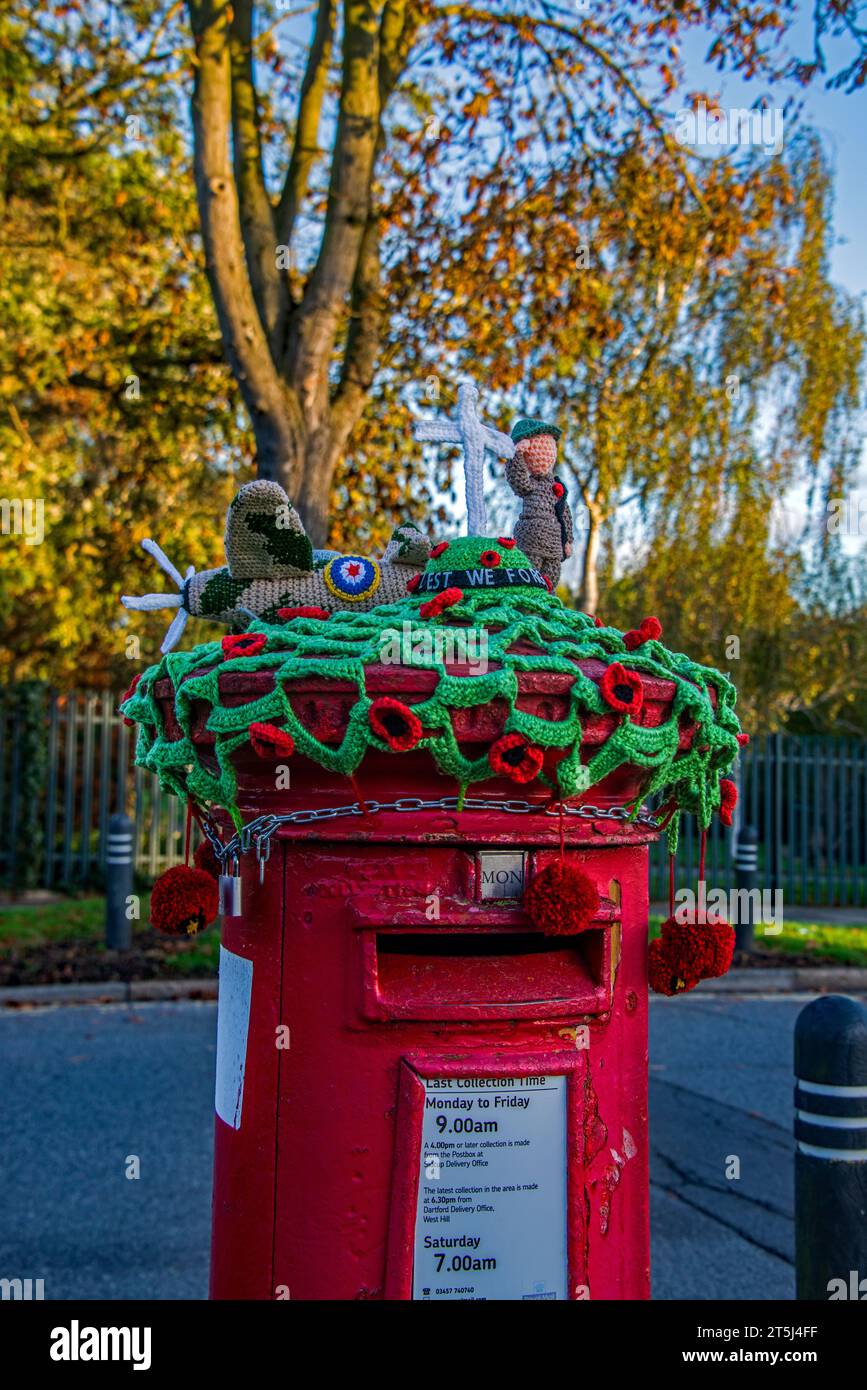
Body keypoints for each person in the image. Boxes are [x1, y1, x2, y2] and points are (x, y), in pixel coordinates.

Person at [505, 418, 573, 587]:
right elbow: (518, 480)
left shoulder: (557, 488)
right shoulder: (530, 485)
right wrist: (517, 456)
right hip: (530, 539)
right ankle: (526, 606)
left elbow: (565, 514)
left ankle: (547, 608)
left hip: (554, 542)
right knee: (527, 576)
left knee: (551, 580)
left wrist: (567, 541)